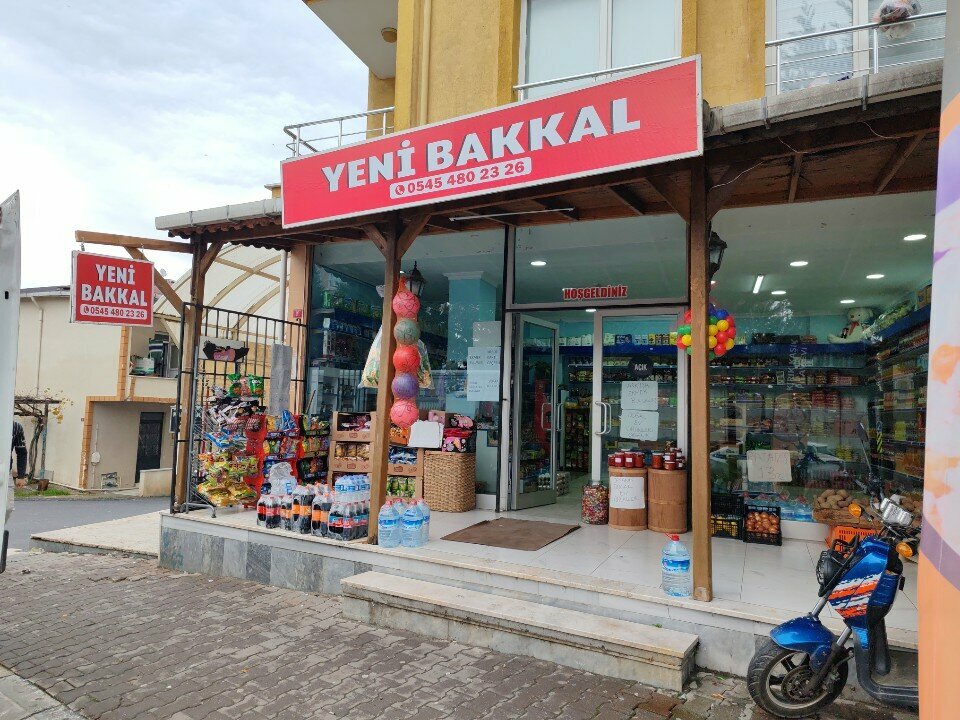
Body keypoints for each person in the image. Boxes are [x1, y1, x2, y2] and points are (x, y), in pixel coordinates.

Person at [7, 420, 27, 522]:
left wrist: (21, 476)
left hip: (5, 472)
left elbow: (22, 452)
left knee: (8, 508)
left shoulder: (15, 427)